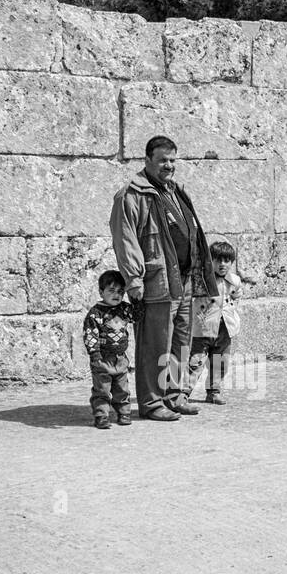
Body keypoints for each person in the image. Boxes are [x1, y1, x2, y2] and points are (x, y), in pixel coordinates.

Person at [109, 135, 218, 421]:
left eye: (172, 160)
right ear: (147, 161)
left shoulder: (175, 191)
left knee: (180, 341)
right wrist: (134, 279)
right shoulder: (131, 196)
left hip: (183, 281)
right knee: (154, 343)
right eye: (162, 161)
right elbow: (125, 240)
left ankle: (175, 395)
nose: (168, 166)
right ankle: (152, 402)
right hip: (156, 283)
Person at [188, 241, 245, 405]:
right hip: (204, 329)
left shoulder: (234, 280)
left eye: (226, 261)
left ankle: (214, 391)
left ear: (232, 262)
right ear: (210, 261)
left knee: (220, 362)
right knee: (195, 362)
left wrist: (232, 308)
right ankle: (183, 393)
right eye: (217, 260)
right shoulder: (202, 280)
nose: (222, 264)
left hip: (225, 329)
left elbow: (237, 296)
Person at [83, 270, 136, 429]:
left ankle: (124, 413)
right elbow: (90, 334)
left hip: (120, 358)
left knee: (122, 389)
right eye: (111, 291)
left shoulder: (125, 309)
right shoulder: (95, 314)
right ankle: (101, 415)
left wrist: (139, 301)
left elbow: (137, 316)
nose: (116, 295)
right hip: (102, 359)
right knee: (102, 390)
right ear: (101, 292)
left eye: (120, 291)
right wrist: (95, 354)